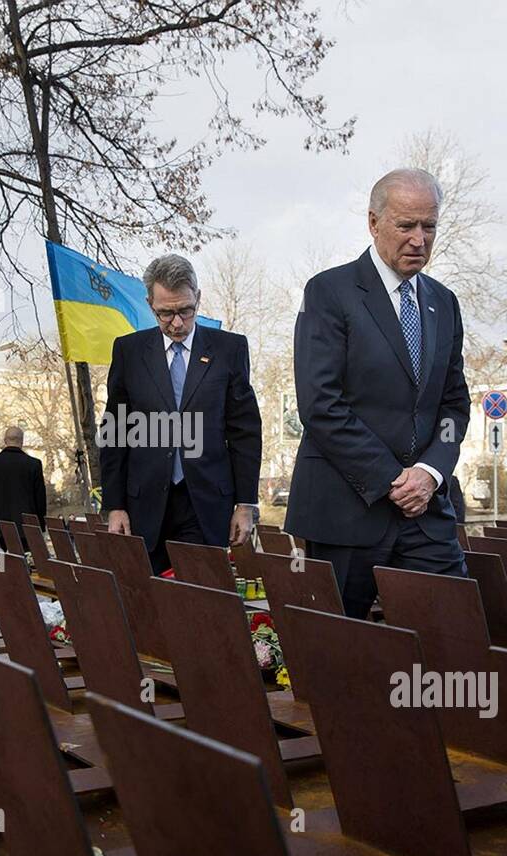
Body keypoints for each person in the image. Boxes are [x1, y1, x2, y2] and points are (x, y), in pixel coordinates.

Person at [284, 168, 470, 619]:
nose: (419, 240)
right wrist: (392, 479)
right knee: (340, 657)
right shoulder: (329, 292)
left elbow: (453, 406)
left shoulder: (443, 302)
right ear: (373, 222)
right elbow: (321, 405)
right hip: (345, 511)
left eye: (429, 226)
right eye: (406, 225)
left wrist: (428, 473)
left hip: (425, 514)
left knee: (455, 638)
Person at [101, 253, 262, 574]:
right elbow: (115, 432)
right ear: (150, 304)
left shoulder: (229, 350)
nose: (176, 323)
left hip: (205, 504)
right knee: (150, 607)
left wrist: (246, 505)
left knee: (201, 607)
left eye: (185, 311)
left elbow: (244, 432)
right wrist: (114, 506)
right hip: (144, 506)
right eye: (165, 313)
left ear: (198, 299)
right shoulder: (129, 352)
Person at [0, 427, 48, 541]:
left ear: (5, 440)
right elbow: (40, 499)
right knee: (22, 558)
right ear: (22, 441)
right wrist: (41, 525)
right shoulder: (34, 464)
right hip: (25, 529)